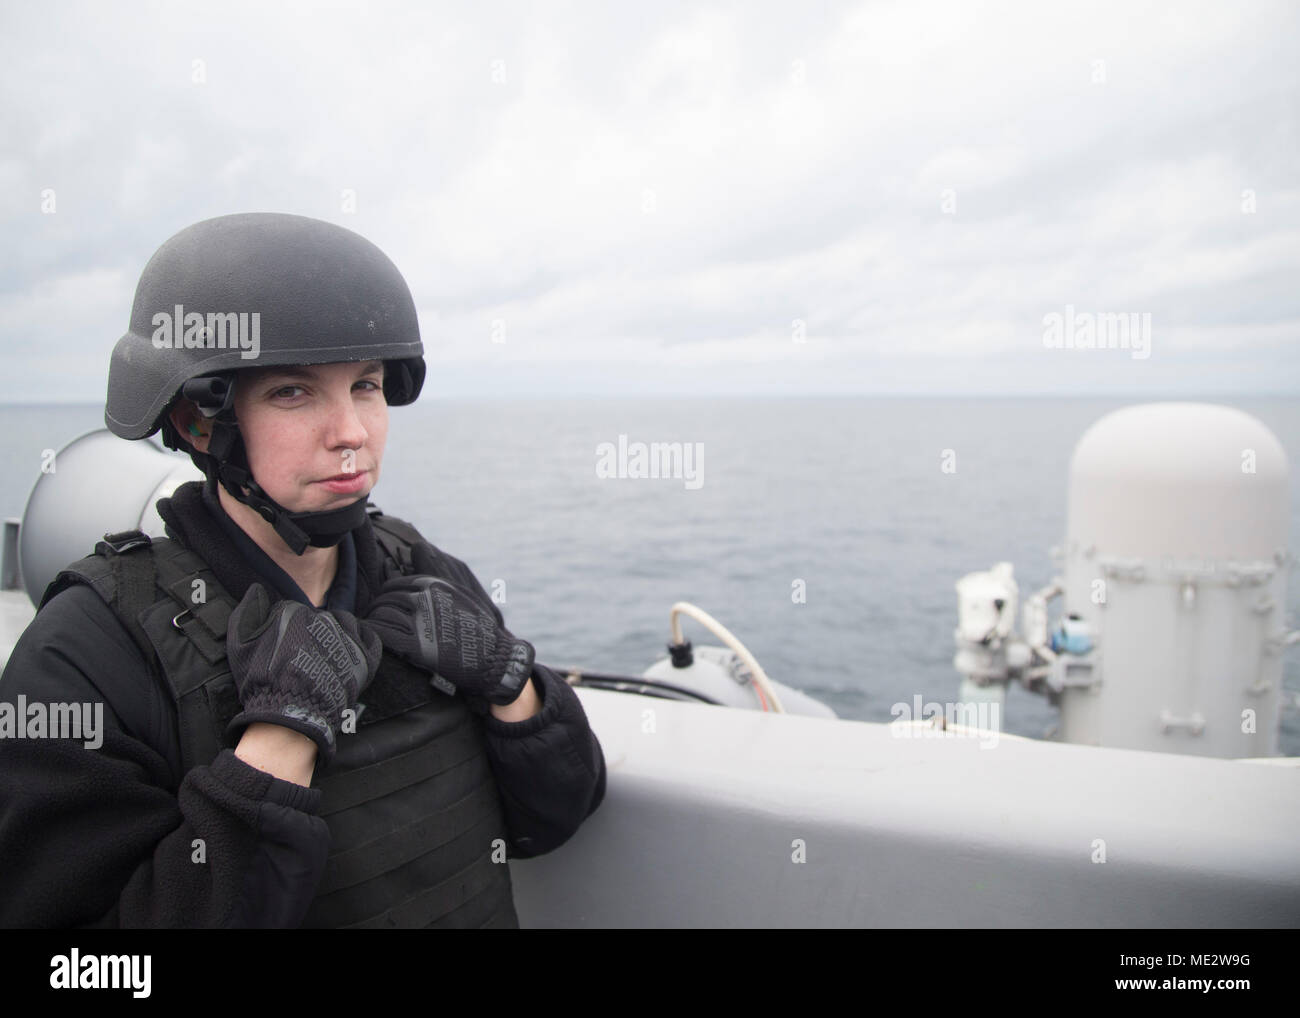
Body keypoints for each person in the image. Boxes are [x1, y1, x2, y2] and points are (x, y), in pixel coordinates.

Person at [0, 212, 606, 928]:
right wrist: (272, 754)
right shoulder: (91, 651)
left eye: (367, 386)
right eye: (294, 392)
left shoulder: (421, 569)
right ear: (201, 422)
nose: (351, 431)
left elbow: (558, 816)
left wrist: (511, 685)